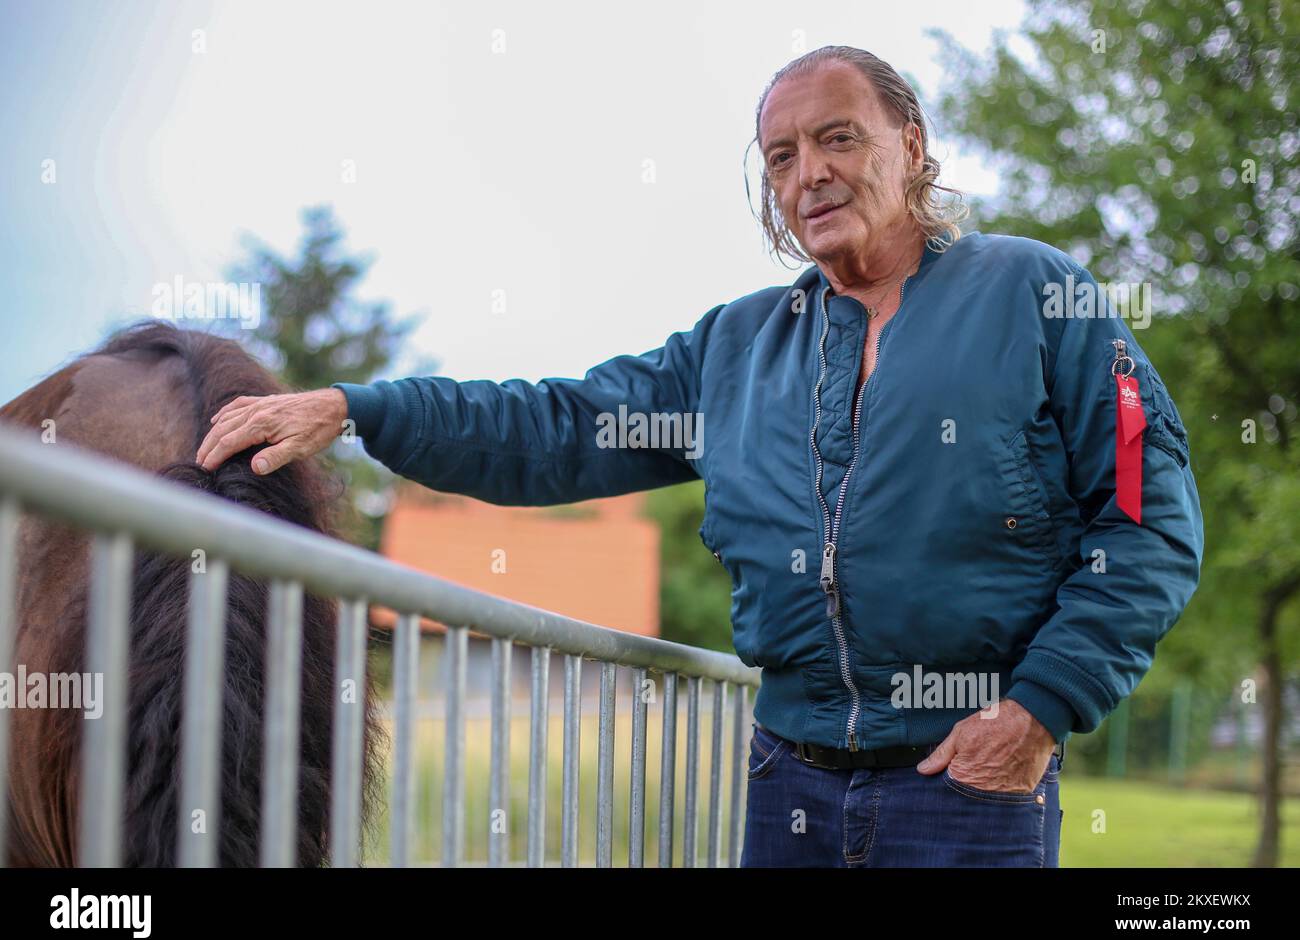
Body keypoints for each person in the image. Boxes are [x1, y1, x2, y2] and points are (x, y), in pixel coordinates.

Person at [196, 46, 1204, 867]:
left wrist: (1041, 706)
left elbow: (1148, 514)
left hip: (970, 787)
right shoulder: (735, 349)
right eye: (779, 155)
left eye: (836, 139)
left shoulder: (1036, 294)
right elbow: (560, 425)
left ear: (910, 144)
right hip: (787, 789)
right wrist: (360, 406)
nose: (807, 172)